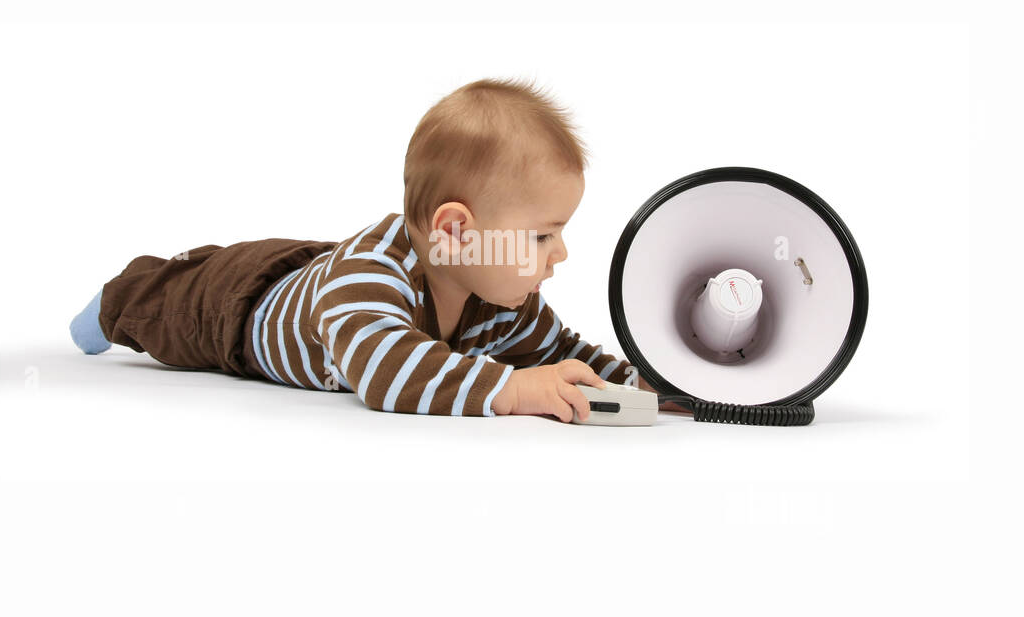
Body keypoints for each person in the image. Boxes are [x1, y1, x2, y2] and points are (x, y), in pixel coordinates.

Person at [69, 77, 651, 421]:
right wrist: (511, 388)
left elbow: (565, 351)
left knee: (323, 276)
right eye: (542, 235)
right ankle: (115, 301)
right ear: (454, 232)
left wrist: (646, 382)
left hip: (319, 277)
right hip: (236, 307)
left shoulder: (502, 297)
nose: (561, 253)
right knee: (168, 302)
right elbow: (381, 370)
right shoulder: (370, 278)